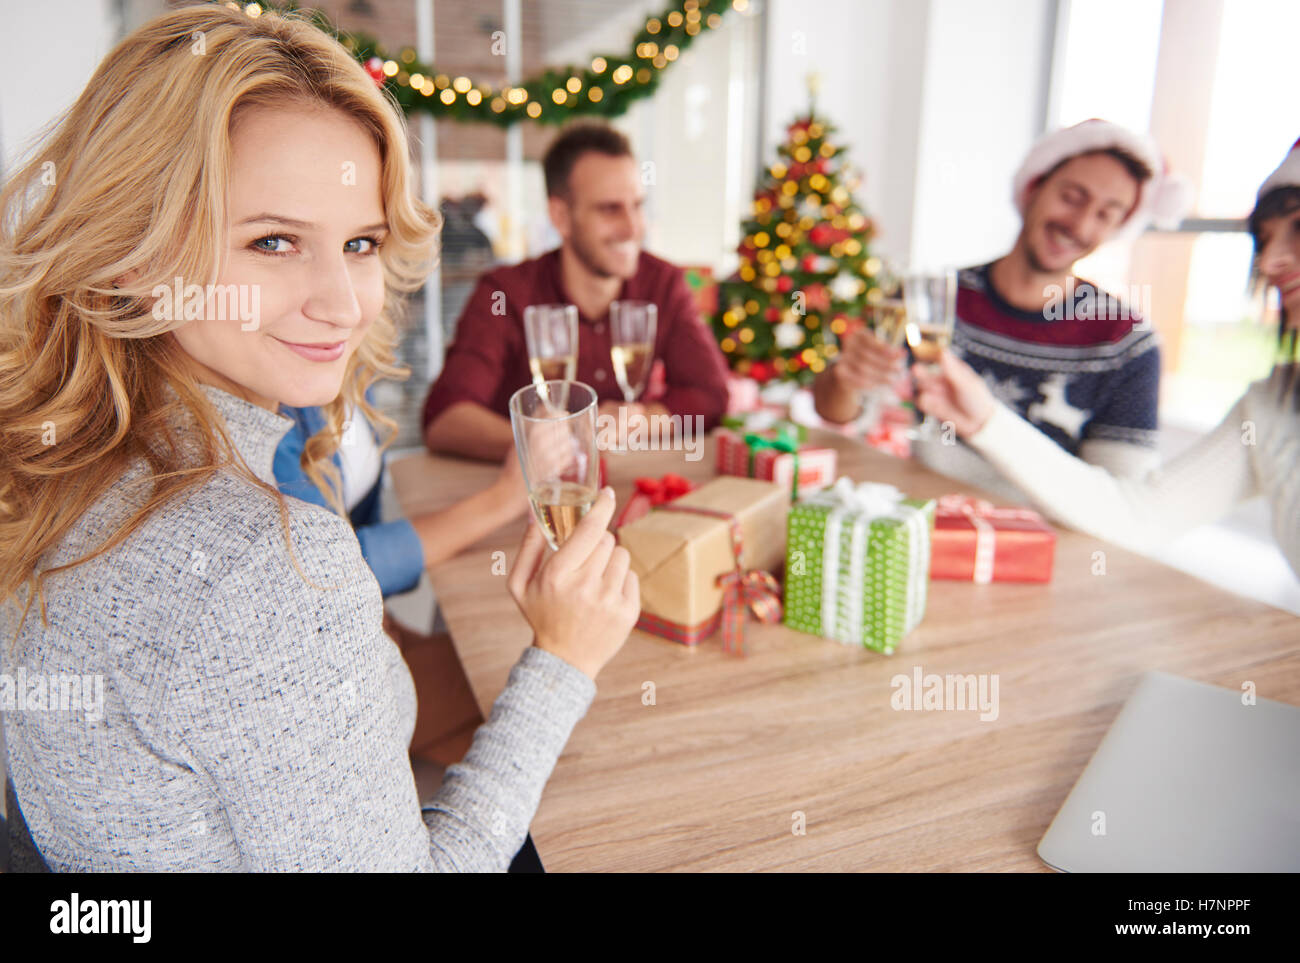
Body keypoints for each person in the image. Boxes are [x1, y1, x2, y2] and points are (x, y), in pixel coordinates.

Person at [0, 5, 638, 872]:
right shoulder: (261, 565)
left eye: (360, 242)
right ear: (134, 258)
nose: (343, 302)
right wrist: (564, 656)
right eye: (272, 241)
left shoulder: (52, 463)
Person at [911, 140, 1300, 581]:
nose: (1269, 262)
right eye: (1264, 239)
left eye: (1299, 228)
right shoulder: (1275, 405)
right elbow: (1139, 518)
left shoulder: (1127, 342)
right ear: (1033, 187)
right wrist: (985, 420)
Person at [813, 119, 1191, 502]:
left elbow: (1121, 501)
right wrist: (845, 379)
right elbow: (839, 411)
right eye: (1072, 197)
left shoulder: (1126, 343)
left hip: (1044, 546)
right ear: (1033, 188)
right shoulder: (931, 300)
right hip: (920, 518)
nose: (1079, 223)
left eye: (1105, 214)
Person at [421, 122, 730, 461]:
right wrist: (554, 444)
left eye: (637, 205)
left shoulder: (664, 283)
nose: (633, 228)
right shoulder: (504, 295)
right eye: (610, 209)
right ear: (561, 216)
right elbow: (444, 420)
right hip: (526, 496)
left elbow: (711, 396)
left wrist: (641, 420)